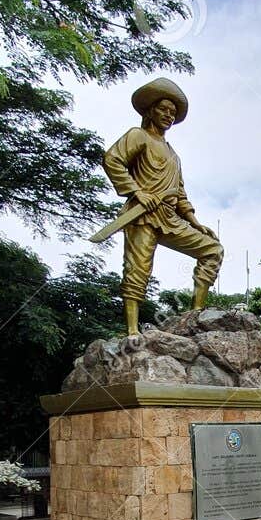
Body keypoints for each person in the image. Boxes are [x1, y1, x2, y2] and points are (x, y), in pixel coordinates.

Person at [102, 78, 224, 337]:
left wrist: (195, 222)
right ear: (151, 111)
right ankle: (132, 330)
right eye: (164, 109)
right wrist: (137, 192)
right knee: (137, 269)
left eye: (173, 112)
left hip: (169, 217)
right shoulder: (138, 136)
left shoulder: (173, 155)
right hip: (142, 215)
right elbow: (112, 160)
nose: (169, 115)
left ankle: (195, 314)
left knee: (212, 249)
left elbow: (179, 193)